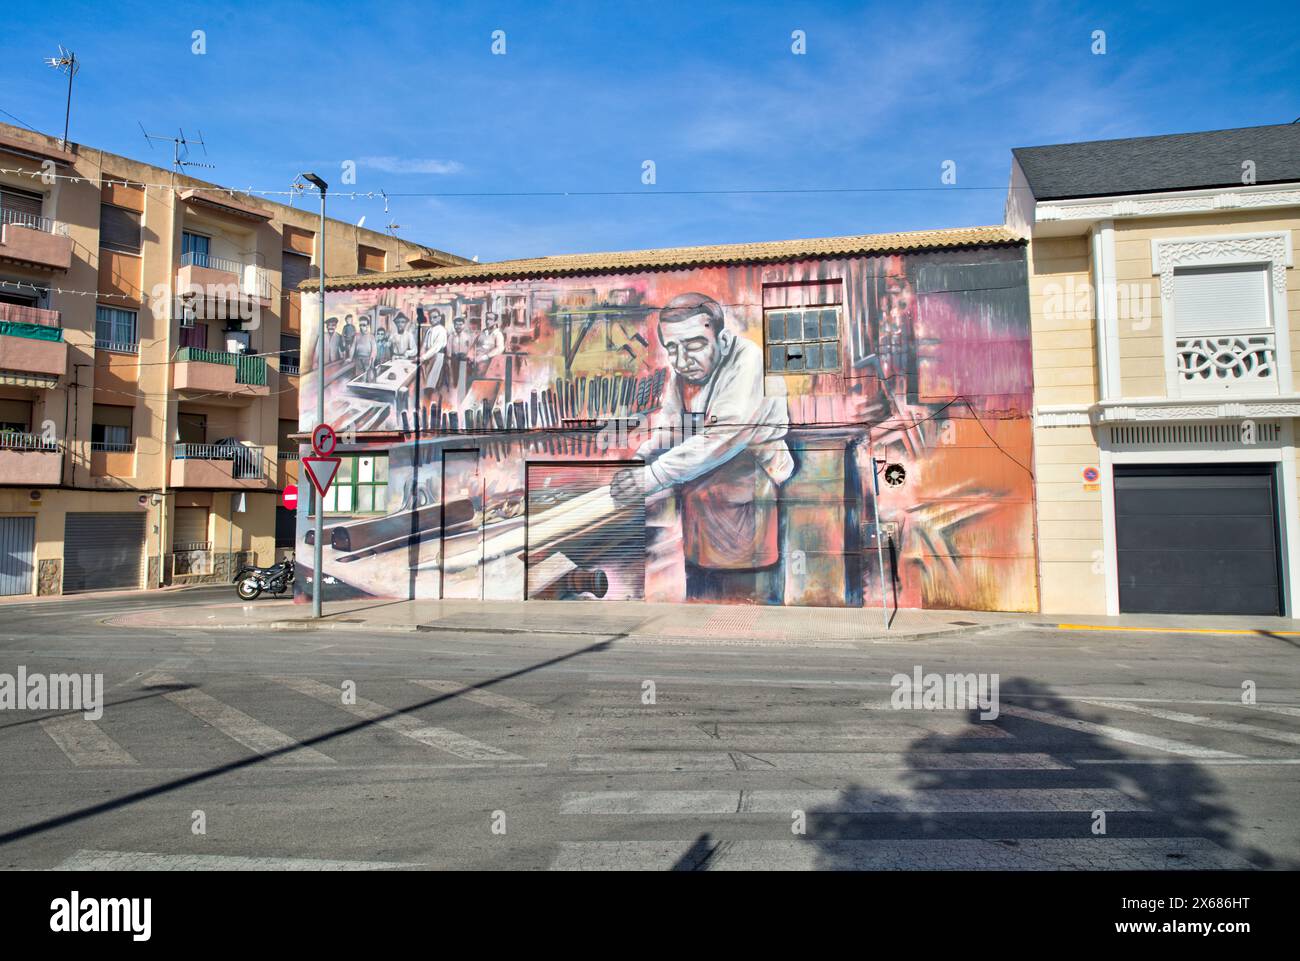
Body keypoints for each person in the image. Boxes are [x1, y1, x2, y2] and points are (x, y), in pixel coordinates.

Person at [610, 292, 793, 602]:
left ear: (721, 339)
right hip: (700, 523)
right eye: (673, 350)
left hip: (747, 515)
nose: (682, 361)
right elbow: (671, 429)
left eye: (694, 346)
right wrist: (639, 462)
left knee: (747, 611)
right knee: (699, 601)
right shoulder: (683, 373)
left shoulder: (750, 362)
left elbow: (723, 437)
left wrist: (649, 478)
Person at [420, 307, 448, 389]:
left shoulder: (442, 330)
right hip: (428, 356)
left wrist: (423, 357)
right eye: (430, 318)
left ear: (439, 317)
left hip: (437, 356)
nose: (432, 320)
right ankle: (425, 396)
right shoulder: (429, 330)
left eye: (434, 317)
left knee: (431, 381)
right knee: (425, 378)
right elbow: (424, 344)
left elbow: (436, 347)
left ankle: (430, 395)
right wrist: (421, 354)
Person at [471, 312, 505, 378]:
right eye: (486, 319)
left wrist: (485, 356)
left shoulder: (498, 334)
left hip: (490, 365)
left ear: (495, 321)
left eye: (490, 319)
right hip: (476, 363)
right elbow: (473, 346)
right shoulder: (482, 333)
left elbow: (500, 348)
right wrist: (471, 357)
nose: (487, 321)